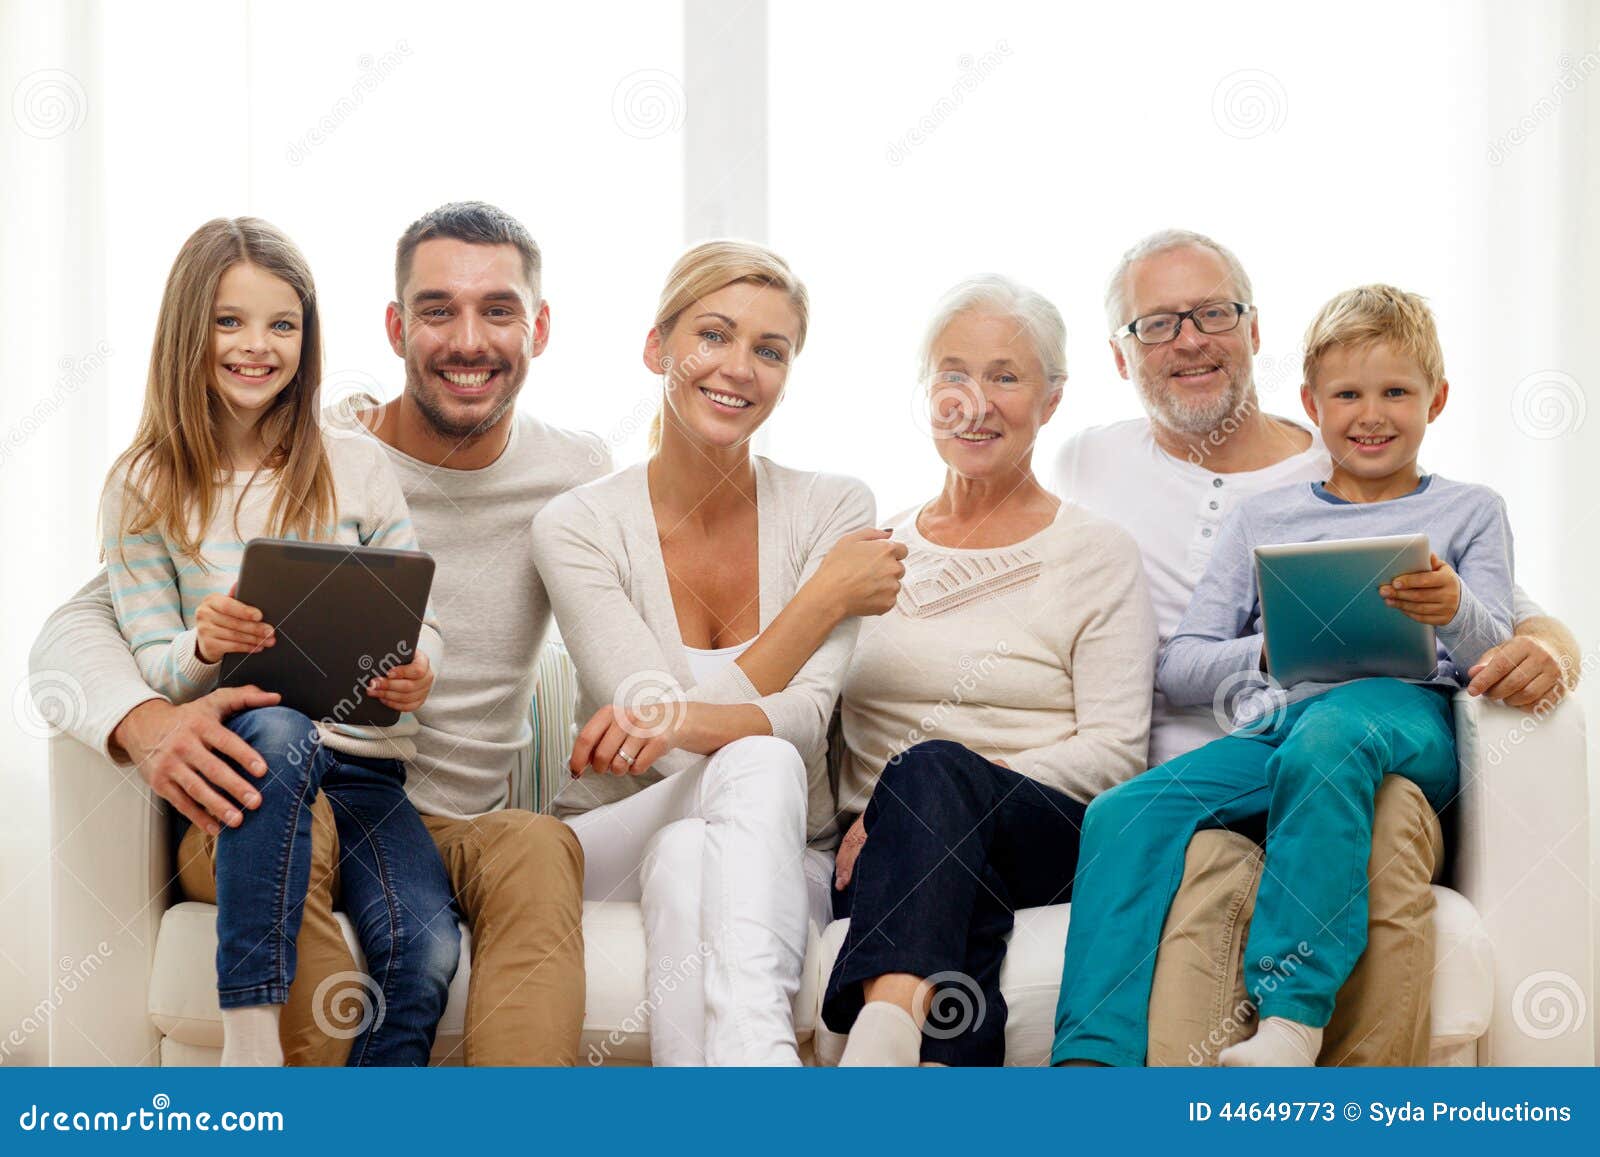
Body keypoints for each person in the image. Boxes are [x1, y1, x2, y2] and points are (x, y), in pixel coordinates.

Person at [31, 202, 607, 1065]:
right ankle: (271, 1064)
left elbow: (454, 627)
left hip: (397, 793)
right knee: (282, 757)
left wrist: (422, 664)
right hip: (262, 784)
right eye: (438, 309)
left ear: (541, 326)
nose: (468, 341)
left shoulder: (570, 475)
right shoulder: (296, 449)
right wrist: (153, 711)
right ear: (394, 325)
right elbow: (79, 625)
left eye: (498, 310)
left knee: (517, 862)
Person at [1052, 229, 1581, 1065]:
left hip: (1405, 725)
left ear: (1437, 400)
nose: (1371, 416)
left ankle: (1290, 1019)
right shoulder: (1265, 519)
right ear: (1313, 402)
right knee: (1127, 811)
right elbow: (1182, 664)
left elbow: (1496, 651)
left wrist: (1455, 609)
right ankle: (1091, 1066)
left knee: (1332, 736)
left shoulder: (1472, 511)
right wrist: (1267, 651)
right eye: (1348, 397)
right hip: (1281, 727)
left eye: (1397, 394)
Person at [530, 240, 906, 1065]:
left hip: (779, 850)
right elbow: (652, 741)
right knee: (757, 761)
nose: (739, 367)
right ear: (657, 347)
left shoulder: (832, 505)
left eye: (770, 350)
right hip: (614, 834)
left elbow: (806, 721)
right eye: (713, 335)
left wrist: (674, 720)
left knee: (697, 849)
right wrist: (820, 600)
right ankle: (762, 1053)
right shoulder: (578, 525)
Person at [97, 217, 451, 1066]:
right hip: (252, 759)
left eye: (282, 325)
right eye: (230, 322)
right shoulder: (143, 486)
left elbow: (414, 607)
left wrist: (418, 666)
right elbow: (149, 657)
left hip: (365, 769)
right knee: (282, 725)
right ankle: (251, 1035)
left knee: (427, 949)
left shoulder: (355, 464)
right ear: (189, 330)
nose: (258, 346)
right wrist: (203, 646)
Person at [819, 275, 1157, 1066]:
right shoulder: (876, 551)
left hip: (1045, 830)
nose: (975, 401)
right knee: (947, 873)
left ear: (1052, 398)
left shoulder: (1095, 551)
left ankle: (876, 1049)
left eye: (1005, 376)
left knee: (932, 769)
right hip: (883, 853)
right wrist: (905, 814)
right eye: (952, 374)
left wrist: (935, 788)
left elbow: (1115, 753)